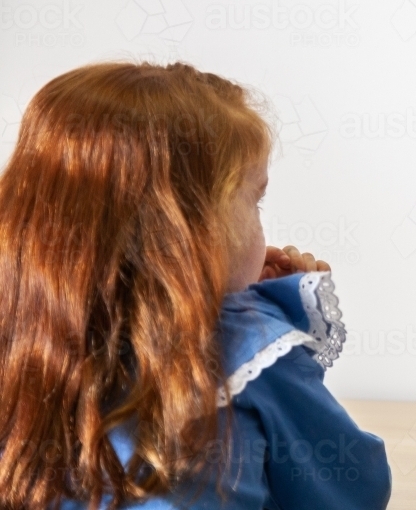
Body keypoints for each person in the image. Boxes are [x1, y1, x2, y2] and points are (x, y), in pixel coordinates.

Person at [0, 62, 392, 509]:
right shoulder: (243, 342)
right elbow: (351, 490)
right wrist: (279, 324)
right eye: (255, 199)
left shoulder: (25, 337)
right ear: (190, 230)